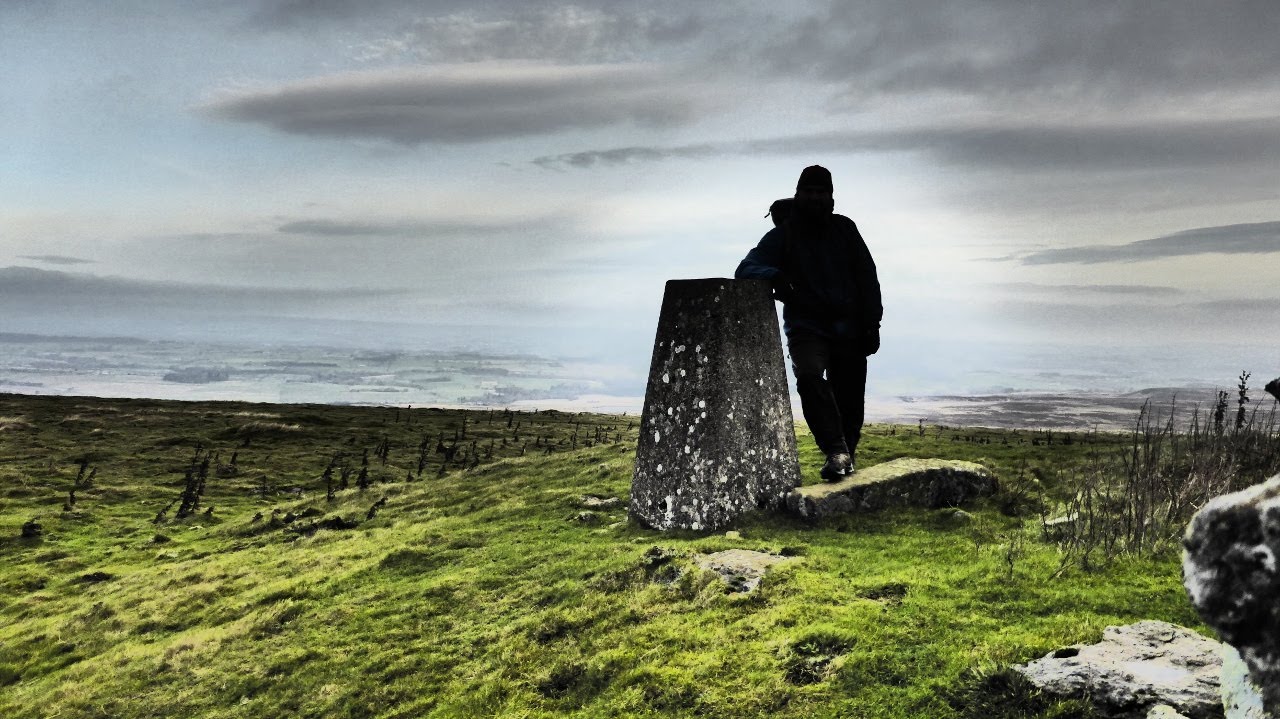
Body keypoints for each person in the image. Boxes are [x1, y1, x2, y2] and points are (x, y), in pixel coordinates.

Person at [735, 165, 882, 480]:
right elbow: (745, 268)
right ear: (798, 194)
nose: (815, 198)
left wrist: (873, 324)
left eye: (821, 192)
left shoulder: (845, 229)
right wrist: (774, 275)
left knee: (850, 401)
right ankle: (836, 451)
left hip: (850, 330)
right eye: (809, 191)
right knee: (810, 377)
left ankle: (845, 460)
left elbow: (867, 277)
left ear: (831, 197)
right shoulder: (782, 235)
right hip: (807, 327)